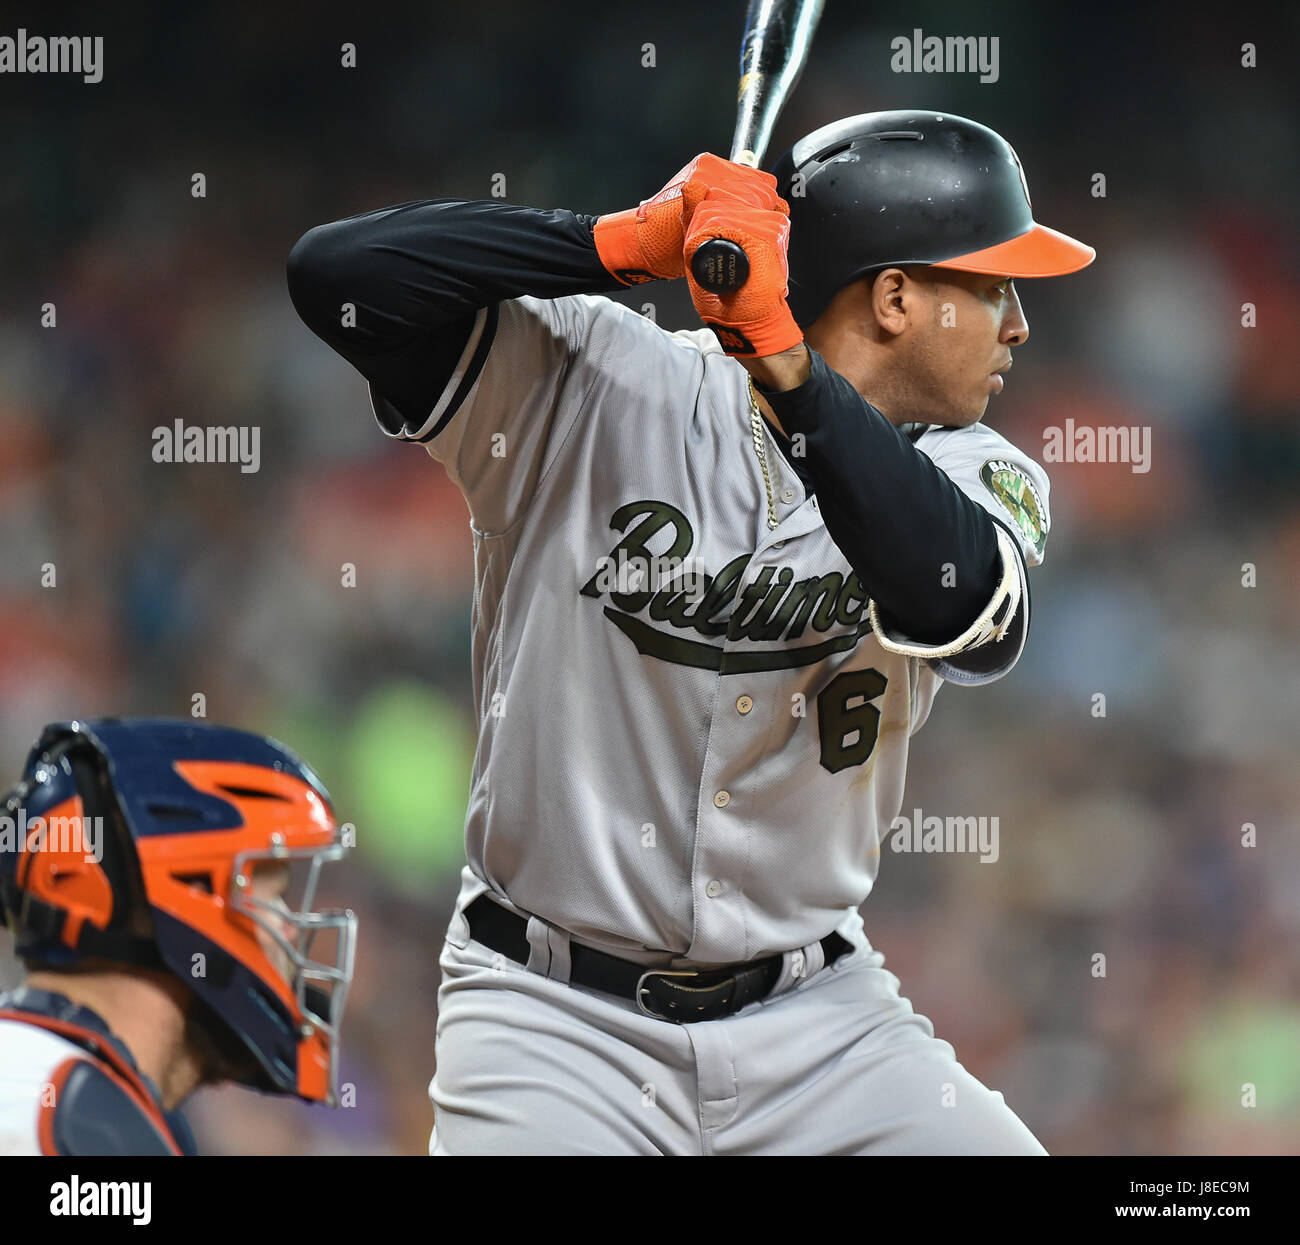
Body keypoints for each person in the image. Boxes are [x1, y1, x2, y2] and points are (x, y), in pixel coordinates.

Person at [287, 109, 1093, 1155]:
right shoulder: (597, 379)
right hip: (551, 1023)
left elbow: (963, 614)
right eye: (992, 288)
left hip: (820, 1031)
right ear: (896, 298)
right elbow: (338, 277)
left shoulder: (974, 470)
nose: (1017, 325)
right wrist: (619, 244)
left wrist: (787, 366)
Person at [0, 717, 357, 1155]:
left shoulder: (71, 1092)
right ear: (189, 897)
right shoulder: (73, 1123)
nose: (291, 929)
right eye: (275, 895)